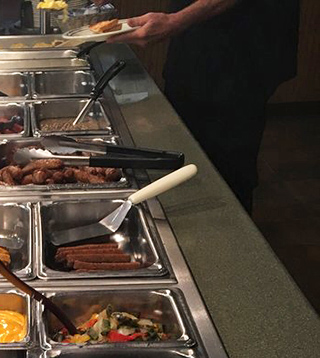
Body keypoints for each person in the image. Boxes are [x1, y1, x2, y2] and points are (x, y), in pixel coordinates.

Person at [107, 1, 300, 212]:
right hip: (199, 48)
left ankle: (229, 235)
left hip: (241, 53)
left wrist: (176, 20)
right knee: (186, 148)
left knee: (227, 168)